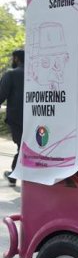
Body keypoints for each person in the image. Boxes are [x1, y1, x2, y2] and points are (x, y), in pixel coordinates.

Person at [0, 49, 25, 187]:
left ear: (16, 58)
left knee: (21, 147)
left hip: (16, 120)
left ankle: (14, 174)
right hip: (38, 118)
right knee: (23, 147)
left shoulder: (11, 74)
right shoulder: (36, 74)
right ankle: (14, 174)